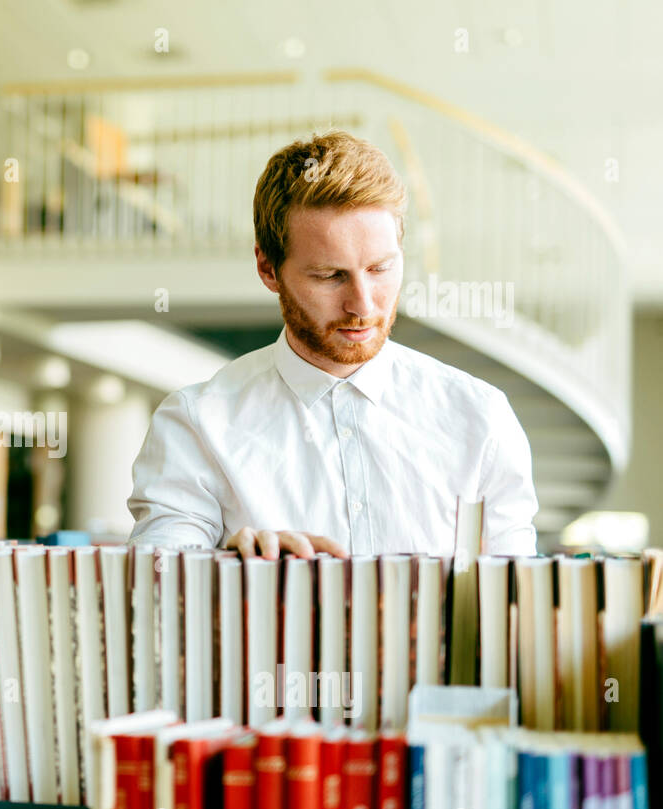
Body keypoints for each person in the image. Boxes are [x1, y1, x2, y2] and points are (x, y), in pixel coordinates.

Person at [127, 130, 539, 559]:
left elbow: (517, 605)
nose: (362, 304)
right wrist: (223, 568)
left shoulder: (481, 419)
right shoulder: (197, 424)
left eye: (380, 268)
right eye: (329, 276)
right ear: (268, 269)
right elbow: (156, 591)